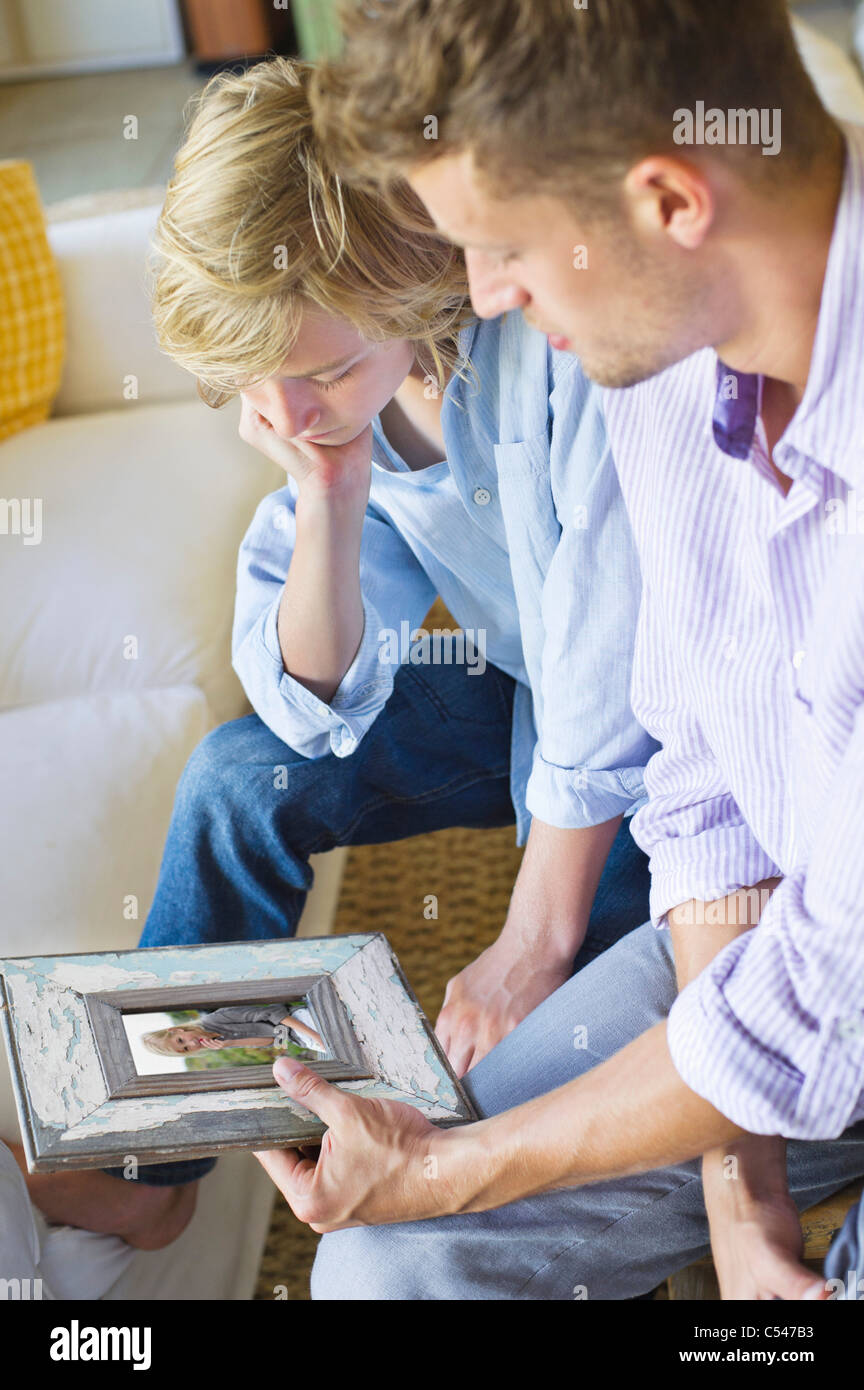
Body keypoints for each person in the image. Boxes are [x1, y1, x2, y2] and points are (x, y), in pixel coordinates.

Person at [244, 0, 864, 1301]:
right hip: (778, 980)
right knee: (378, 1268)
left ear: (669, 200)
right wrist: (735, 1192)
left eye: (506, 245)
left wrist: (444, 1167)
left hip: (822, 991)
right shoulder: (666, 364)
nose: (482, 299)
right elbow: (702, 798)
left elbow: (820, 996)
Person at [39, 54, 655, 1236]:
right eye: (253, 386)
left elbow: (606, 670)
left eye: (320, 371)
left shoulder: (552, 340)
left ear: (413, 272)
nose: (283, 411)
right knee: (236, 781)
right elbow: (312, 703)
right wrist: (327, 489)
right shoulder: (325, 409)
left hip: (654, 713)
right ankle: (146, 1178)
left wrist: (533, 935)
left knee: (573, 997)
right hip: (530, 681)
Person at [141, 1005, 327, 1056]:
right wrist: (231, 1043)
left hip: (300, 1022)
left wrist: (315, 1036)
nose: (191, 1044)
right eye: (186, 1049)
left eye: (181, 1041)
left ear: (177, 1029)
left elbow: (272, 1012)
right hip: (300, 1038)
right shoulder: (220, 1042)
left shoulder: (215, 1019)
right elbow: (270, 1040)